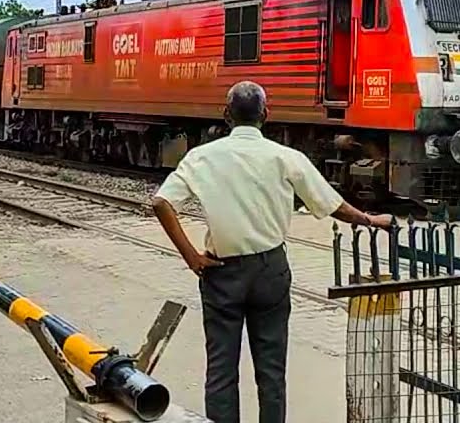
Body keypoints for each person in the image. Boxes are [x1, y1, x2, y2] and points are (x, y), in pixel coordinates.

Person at [151, 81, 393, 423]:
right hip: (270, 271)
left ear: (226, 115)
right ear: (266, 114)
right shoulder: (286, 157)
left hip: (220, 272)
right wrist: (370, 219)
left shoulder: (201, 157)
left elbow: (161, 203)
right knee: (271, 371)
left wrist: (192, 256)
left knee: (221, 370)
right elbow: (333, 205)